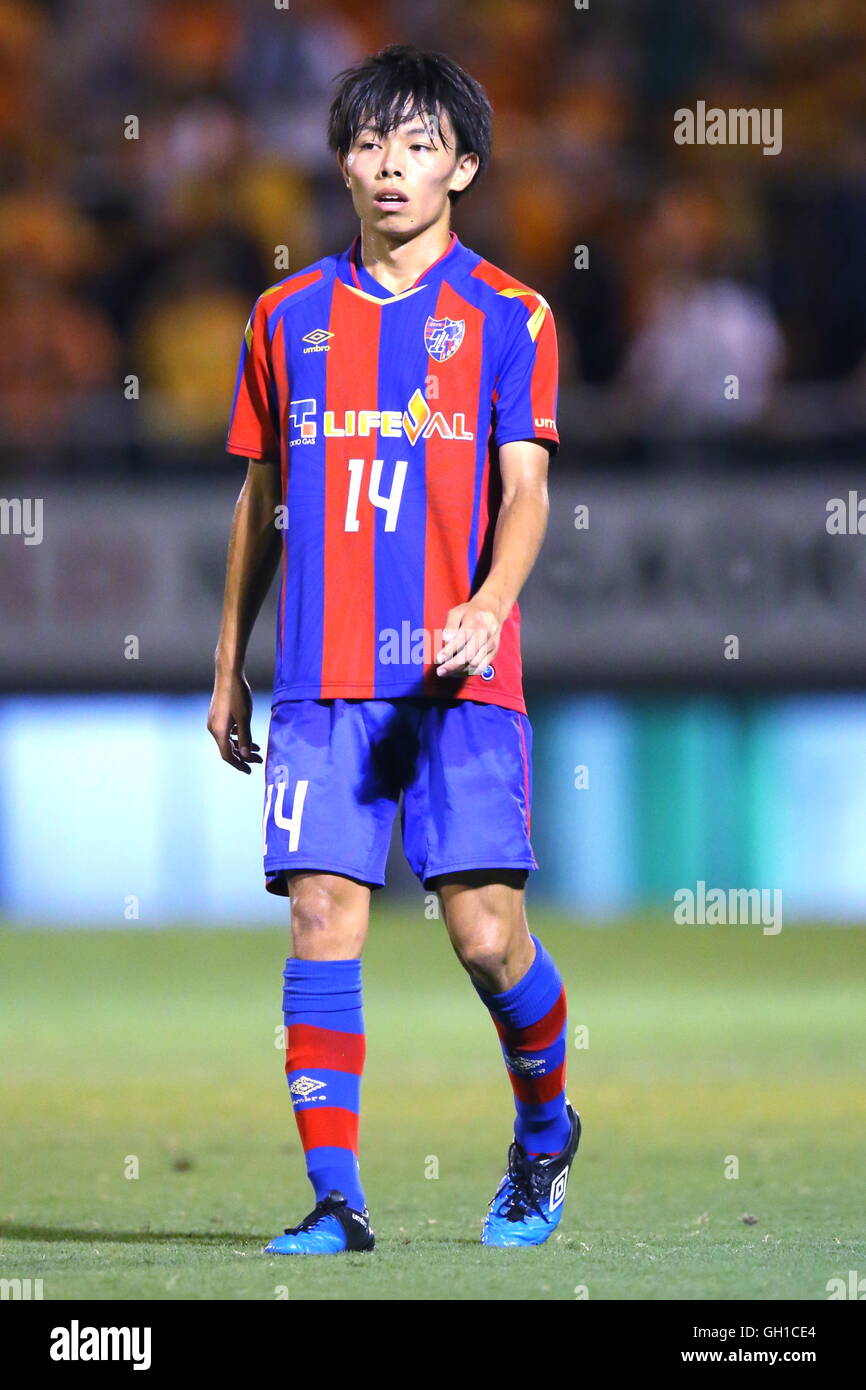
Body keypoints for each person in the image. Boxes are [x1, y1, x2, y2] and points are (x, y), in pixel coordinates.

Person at [208, 43, 580, 1255]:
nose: (387, 166)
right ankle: (335, 1199)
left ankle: (542, 1130)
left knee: (482, 932)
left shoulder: (510, 315)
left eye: (417, 145)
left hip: (459, 678)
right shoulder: (285, 316)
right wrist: (228, 662)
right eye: (369, 143)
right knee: (321, 910)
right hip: (322, 679)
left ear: (461, 166)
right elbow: (262, 494)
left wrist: (488, 600)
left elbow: (525, 493)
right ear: (341, 159)